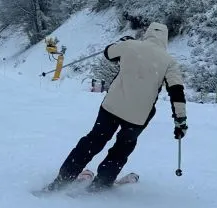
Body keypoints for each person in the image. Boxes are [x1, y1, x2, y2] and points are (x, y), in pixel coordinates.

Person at [42, 22, 187, 193]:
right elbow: (177, 92)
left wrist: (123, 42)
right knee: (121, 149)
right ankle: (101, 184)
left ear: (147, 33)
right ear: (165, 39)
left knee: (93, 141)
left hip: (111, 107)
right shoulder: (169, 62)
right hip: (138, 116)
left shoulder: (130, 45)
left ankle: (63, 179)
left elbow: (108, 53)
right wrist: (180, 120)